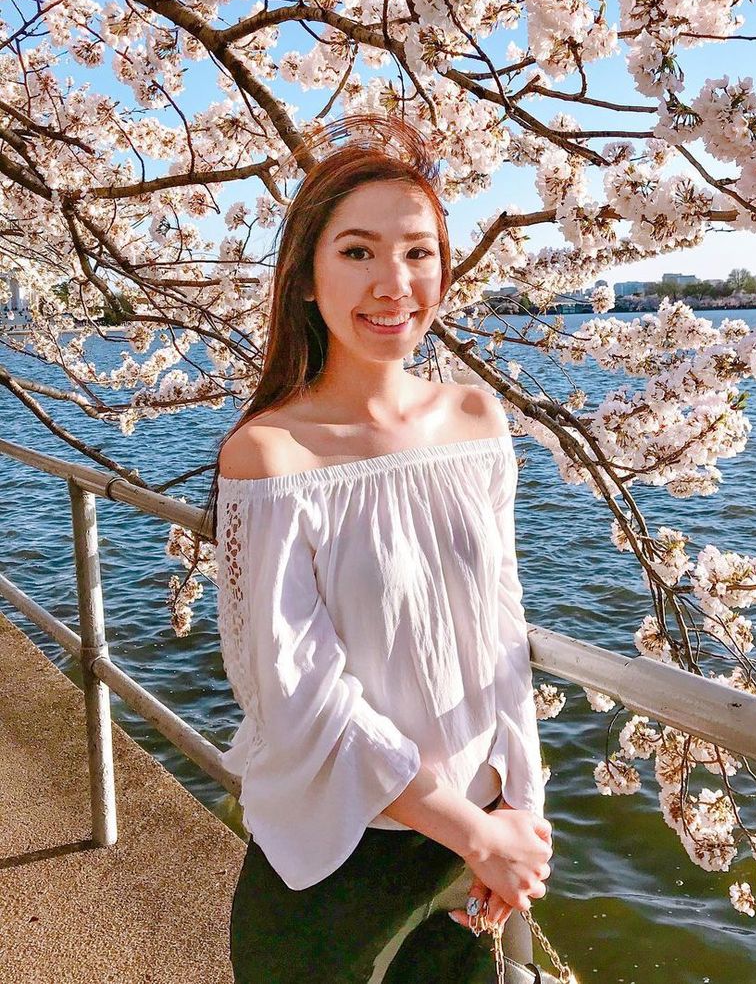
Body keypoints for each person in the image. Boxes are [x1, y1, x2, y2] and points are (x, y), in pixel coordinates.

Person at [204, 114, 554, 983]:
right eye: (358, 252)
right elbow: (296, 697)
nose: (394, 283)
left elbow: (501, 627)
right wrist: (475, 831)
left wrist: (521, 814)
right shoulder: (270, 456)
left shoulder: (475, 419)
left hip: (471, 853)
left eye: (419, 252)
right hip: (337, 863)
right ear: (305, 279)